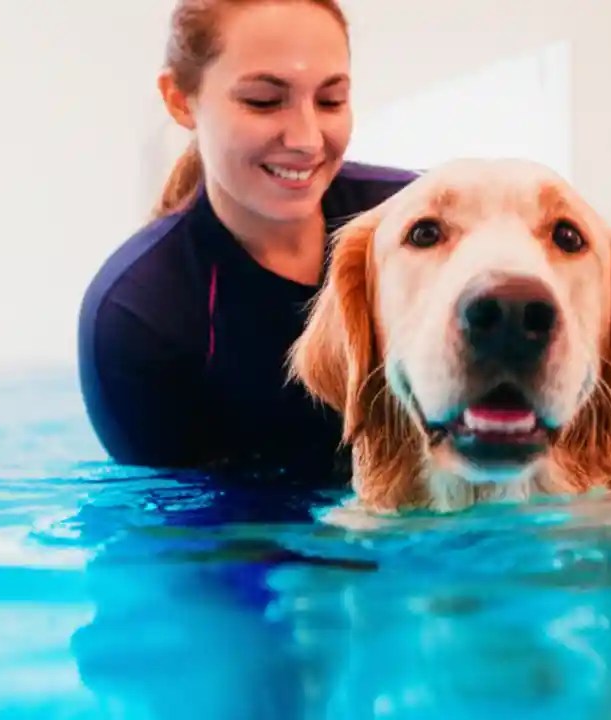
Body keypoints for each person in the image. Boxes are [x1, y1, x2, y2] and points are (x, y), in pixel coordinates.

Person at [77, 0, 417, 480]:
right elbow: (185, 540)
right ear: (179, 99)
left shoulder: (413, 226)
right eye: (263, 100)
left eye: (330, 100)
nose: (306, 139)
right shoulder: (143, 315)